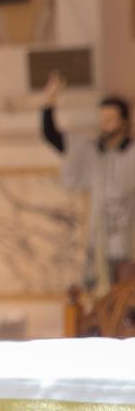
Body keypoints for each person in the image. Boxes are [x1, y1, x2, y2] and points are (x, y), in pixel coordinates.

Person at [41, 70, 135, 290]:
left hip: (130, 236)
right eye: (103, 118)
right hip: (101, 236)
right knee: (103, 297)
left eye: (111, 118)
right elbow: (52, 135)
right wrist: (49, 100)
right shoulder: (92, 151)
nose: (106, 123)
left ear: (124, 121)